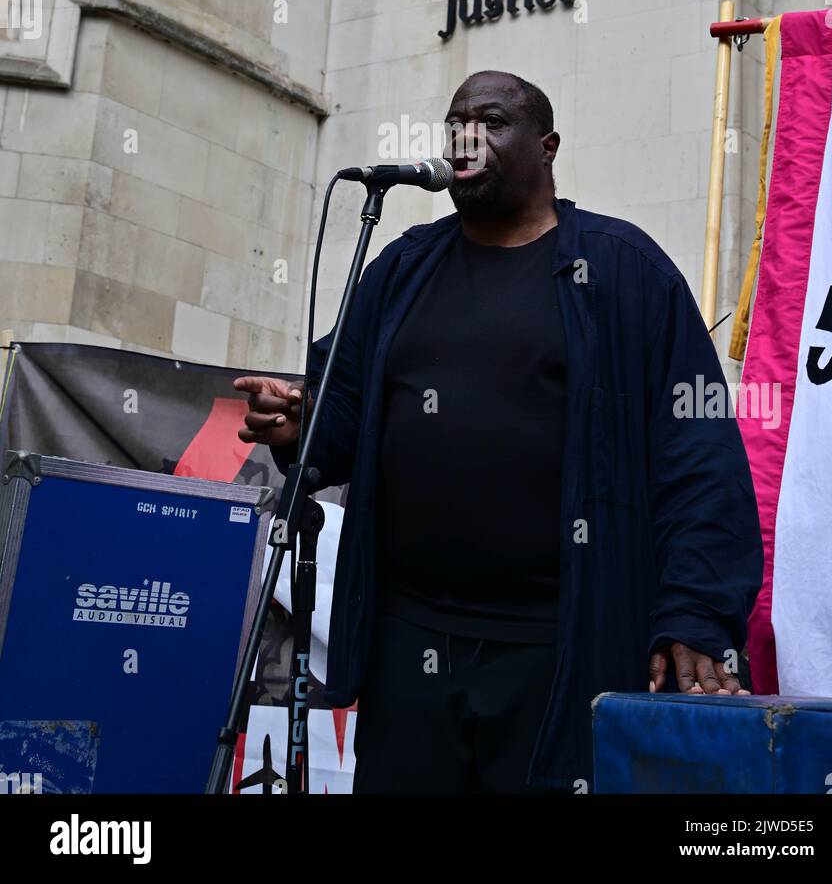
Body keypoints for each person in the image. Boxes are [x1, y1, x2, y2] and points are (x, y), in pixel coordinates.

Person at [236, 69, 763, 793]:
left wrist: (695, 614)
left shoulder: (624, 271)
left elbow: (699, 459)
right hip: (410, 645)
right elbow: (338, 421)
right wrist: (296, 423)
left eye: (490, 120)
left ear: (546, 146)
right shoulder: (403, 269)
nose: (467, 135)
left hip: (562, 646)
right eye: (456, 121)